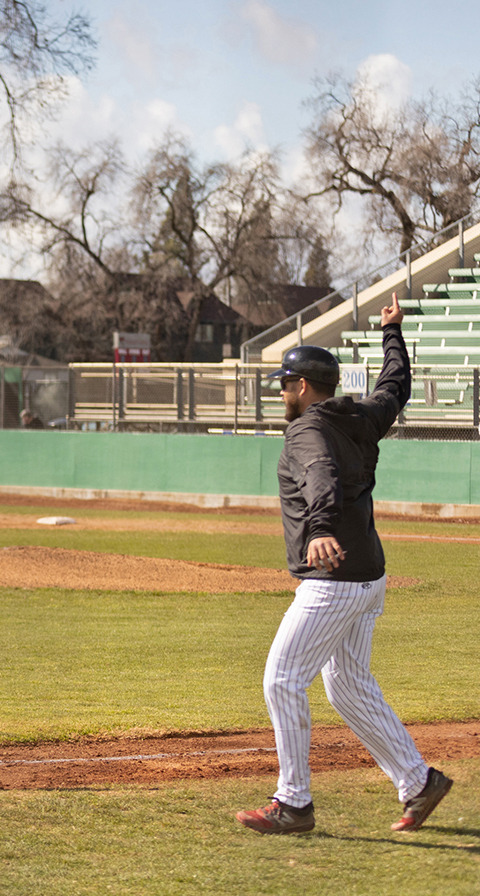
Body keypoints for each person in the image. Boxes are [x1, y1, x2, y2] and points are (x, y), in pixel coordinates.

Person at [235, 292, 454, 835]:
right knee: (348, 684)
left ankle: (293, 802)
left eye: (285, 384)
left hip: (332, 579)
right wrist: (393, 333)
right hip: (369, 577)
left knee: (282, 678)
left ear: (303, 387)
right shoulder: (360, 415)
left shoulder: (306, 429)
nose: (282, 394)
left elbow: (322, 479)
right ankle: (418, 781)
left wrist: (321, 529)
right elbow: (394, 389)